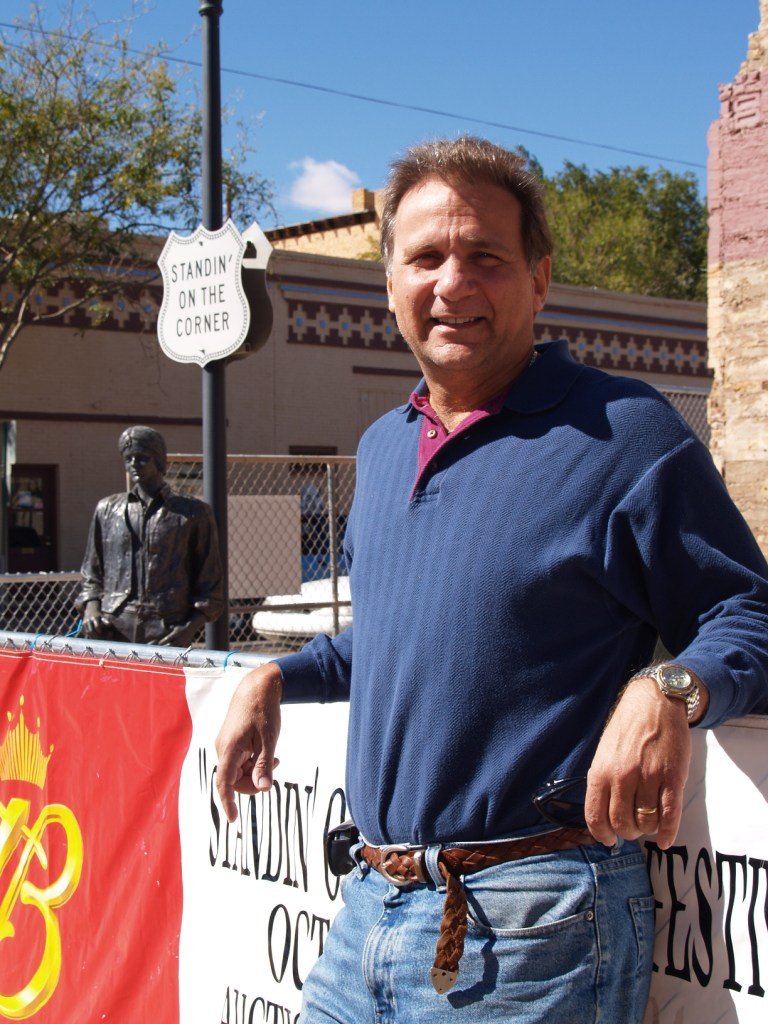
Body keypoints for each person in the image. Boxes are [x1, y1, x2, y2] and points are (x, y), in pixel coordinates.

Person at [215, 137, 768, 1023]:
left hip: (536, 921)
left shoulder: (627, 433)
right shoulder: (383, 444)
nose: (454, 283)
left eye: (486, 258)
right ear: (388, 281)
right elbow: (406, 637)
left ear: (539, 279)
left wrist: (671, 686)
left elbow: (749, 612)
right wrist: (281, 672)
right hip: (369, 906)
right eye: (426, 257)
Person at [77, 425, 223, 646]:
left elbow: (210, 582)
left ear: (158, 459)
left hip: (167, 629)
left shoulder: (193, 512)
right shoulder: (107, 510)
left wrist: (188, 629)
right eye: (128, 458)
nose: (134, 464)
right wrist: (91, 609)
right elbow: (91, 573)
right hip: (113, 627)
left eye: (142, 457)